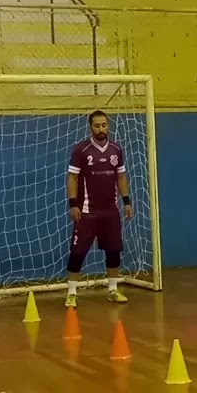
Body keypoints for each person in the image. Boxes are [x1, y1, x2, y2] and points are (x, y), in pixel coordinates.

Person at [65, 110, 133, 308]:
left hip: (110, 211)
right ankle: (71, 293)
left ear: (108, 125)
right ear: (90, 127)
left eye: (104, 125)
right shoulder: (82, 150)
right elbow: (73, 178)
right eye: (97, 125)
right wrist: (73, 204)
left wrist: (127, 202)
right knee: (78, 251)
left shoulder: (116, 149)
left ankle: (112, 289)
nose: (101, 129)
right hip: (87, 211)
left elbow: (121, 177)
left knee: (113, 250)